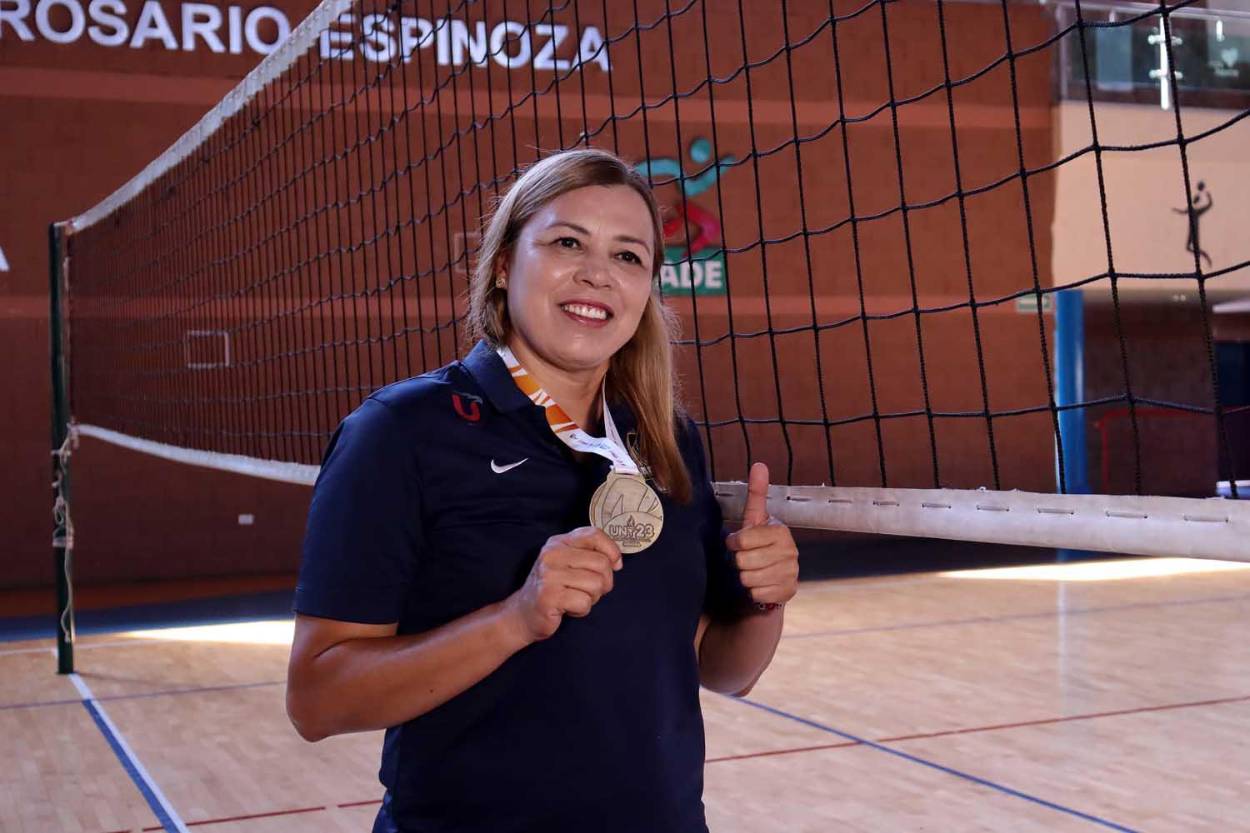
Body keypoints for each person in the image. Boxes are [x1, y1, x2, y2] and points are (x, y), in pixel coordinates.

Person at [285, 147, 800, 833]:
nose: (598, 274)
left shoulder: (664, 438)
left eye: (628, 256)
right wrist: (514, 619)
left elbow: (720, 670)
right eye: (567, 242)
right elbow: (317, 699)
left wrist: (764, 602)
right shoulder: (401, 432)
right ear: (503, 265)